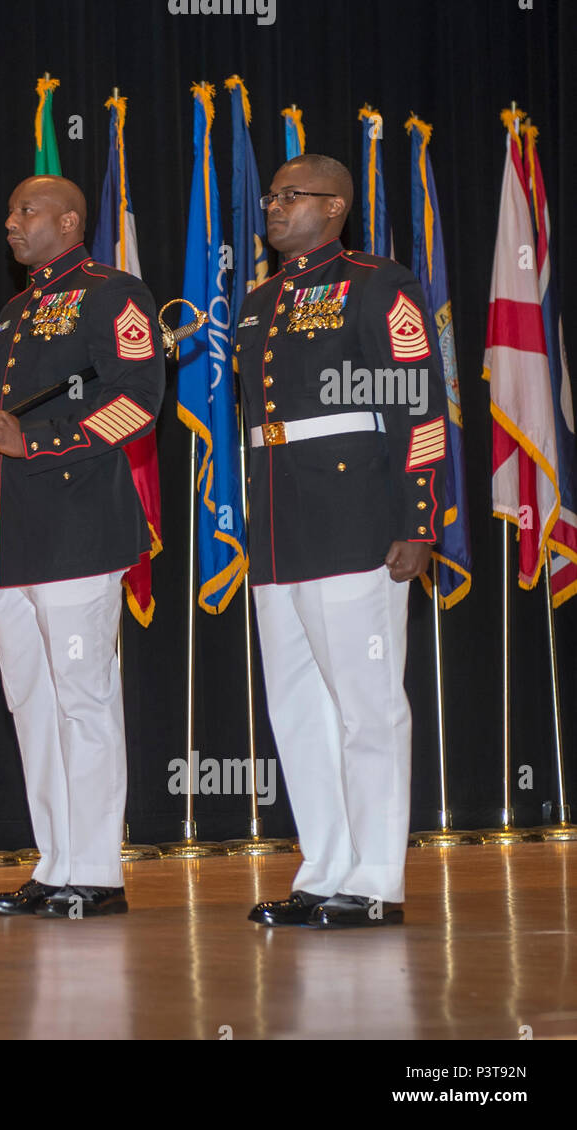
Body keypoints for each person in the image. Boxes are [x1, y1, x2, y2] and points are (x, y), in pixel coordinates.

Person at [236, 154, 447, 928]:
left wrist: (419, 518)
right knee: (296, 708)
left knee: (367, 706)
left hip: (356, 517)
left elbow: (419, 404)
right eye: (270, 196)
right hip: (280, 526)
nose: (273, 207)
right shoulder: (259, 301)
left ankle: (375, 879)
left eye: (290, 196)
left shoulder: (377, 282)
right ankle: (323, 868)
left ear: (335, 207)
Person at [0, 176, 165, 918]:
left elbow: (139, 403)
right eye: (11, 210)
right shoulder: (17, 311)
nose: (11, 223)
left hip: (82, 530)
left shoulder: (114, 293)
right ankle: (55, 864)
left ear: (70, 220)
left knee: (83, 698)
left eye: (26, 211)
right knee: (32, 702)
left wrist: (40, 441)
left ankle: (96, 870)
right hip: (19, 537)